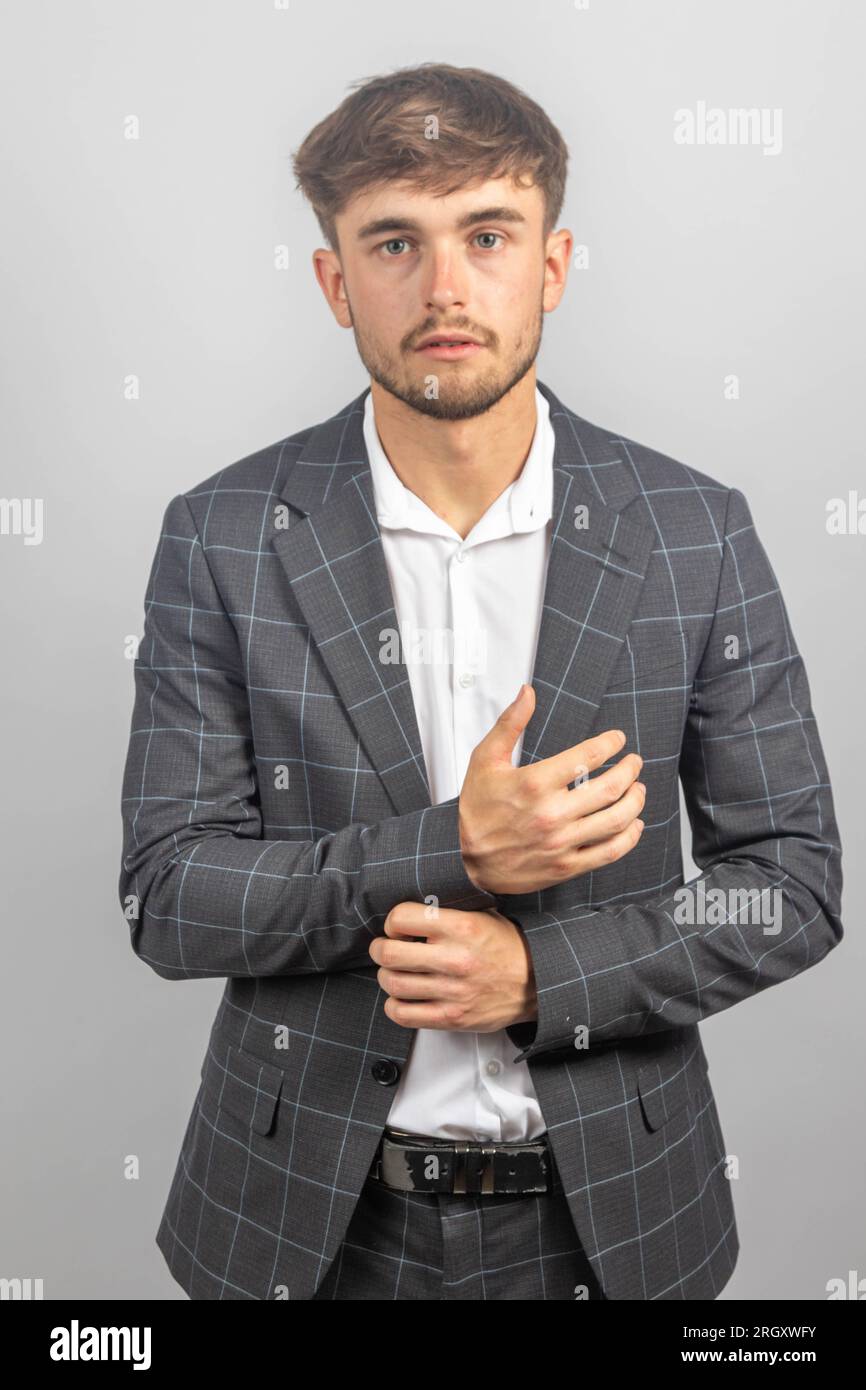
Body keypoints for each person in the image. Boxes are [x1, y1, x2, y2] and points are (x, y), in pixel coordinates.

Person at [118, 63, 843, 1301]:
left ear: (550, 265)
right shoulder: (223, 533)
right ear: (335, 281)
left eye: (486, 235)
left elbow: (786, 884)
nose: (444, 289)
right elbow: (169, 896)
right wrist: (450, 846)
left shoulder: (691, 530)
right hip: (302, 1225)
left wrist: (542, 981)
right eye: (394, 242)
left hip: (611, 1222)